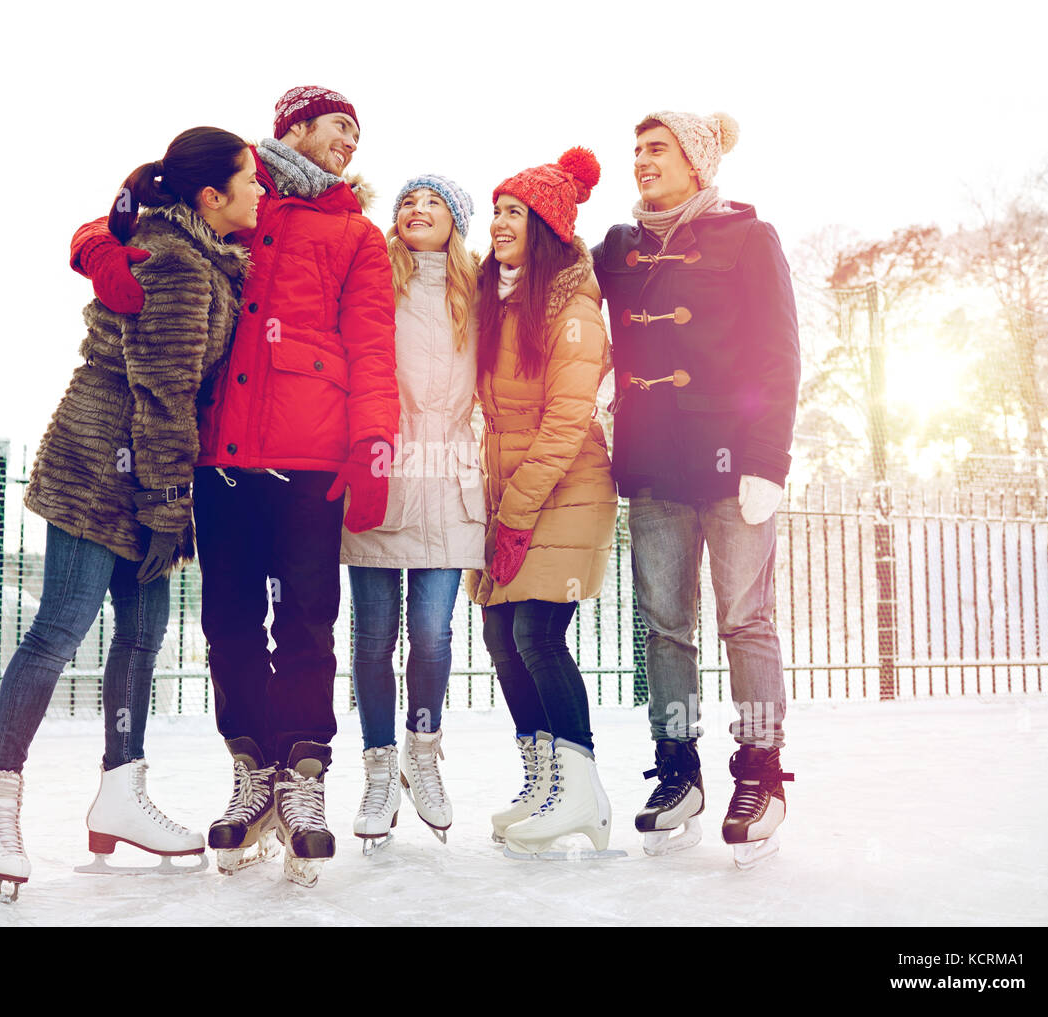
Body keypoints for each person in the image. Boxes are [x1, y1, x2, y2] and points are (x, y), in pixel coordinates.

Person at [68, 86, 398, 887]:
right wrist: (94, 245)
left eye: (359, 132)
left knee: (309, 622)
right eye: (338, 126)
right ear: (294, 127)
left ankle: (305, 777)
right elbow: (130, 212)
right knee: (229, 621)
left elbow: (374, 345)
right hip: (221, 451)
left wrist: (375, 445)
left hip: (312, 453)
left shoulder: (356, 233)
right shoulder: (235, 193)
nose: (350, 142)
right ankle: (251, 771)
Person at [0, 126, 261, 902]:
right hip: (101, 464)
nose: (260, 192)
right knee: (60, 626)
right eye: (249, 180)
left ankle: (121, 789)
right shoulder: (181, 264)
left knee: (142, 633)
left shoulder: (209, 256)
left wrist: (165, 498)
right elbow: (161, 392)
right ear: (210, 197)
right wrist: (167, 503)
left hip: (147, 473)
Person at [592, 111, 800, 869]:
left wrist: (768, 460)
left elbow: (779, 353)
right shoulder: (617, 247)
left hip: (732, 460)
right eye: (636, 149)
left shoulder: (749, 237)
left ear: (698, 161)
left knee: (746, 620)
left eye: (658, 149)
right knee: (666, 627)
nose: (642, 161)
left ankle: (762, 769)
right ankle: (678, 767)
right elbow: (561, 295)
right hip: (651, 463)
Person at [466, 148, 621, 859]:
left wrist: (517, 511)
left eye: (515, 212)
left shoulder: (573, 308)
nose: (499, 222)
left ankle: (582, 790)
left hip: (567, 487)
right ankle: (544, 780)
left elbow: (564, 421)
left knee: (537, 634)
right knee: (502, 637)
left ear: (547, 227)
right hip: (517, 493)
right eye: (495, 210)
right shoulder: (496, 300)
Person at [342, 174, 485, 852]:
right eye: (406, 201)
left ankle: (421, 755)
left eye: (433, 203)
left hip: (452, 478)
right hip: (384, 471)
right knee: (373, 640)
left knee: (431, 635)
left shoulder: (479, 291)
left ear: (457, 222)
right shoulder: (373, 278)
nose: (416, 210)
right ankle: (376, 768)